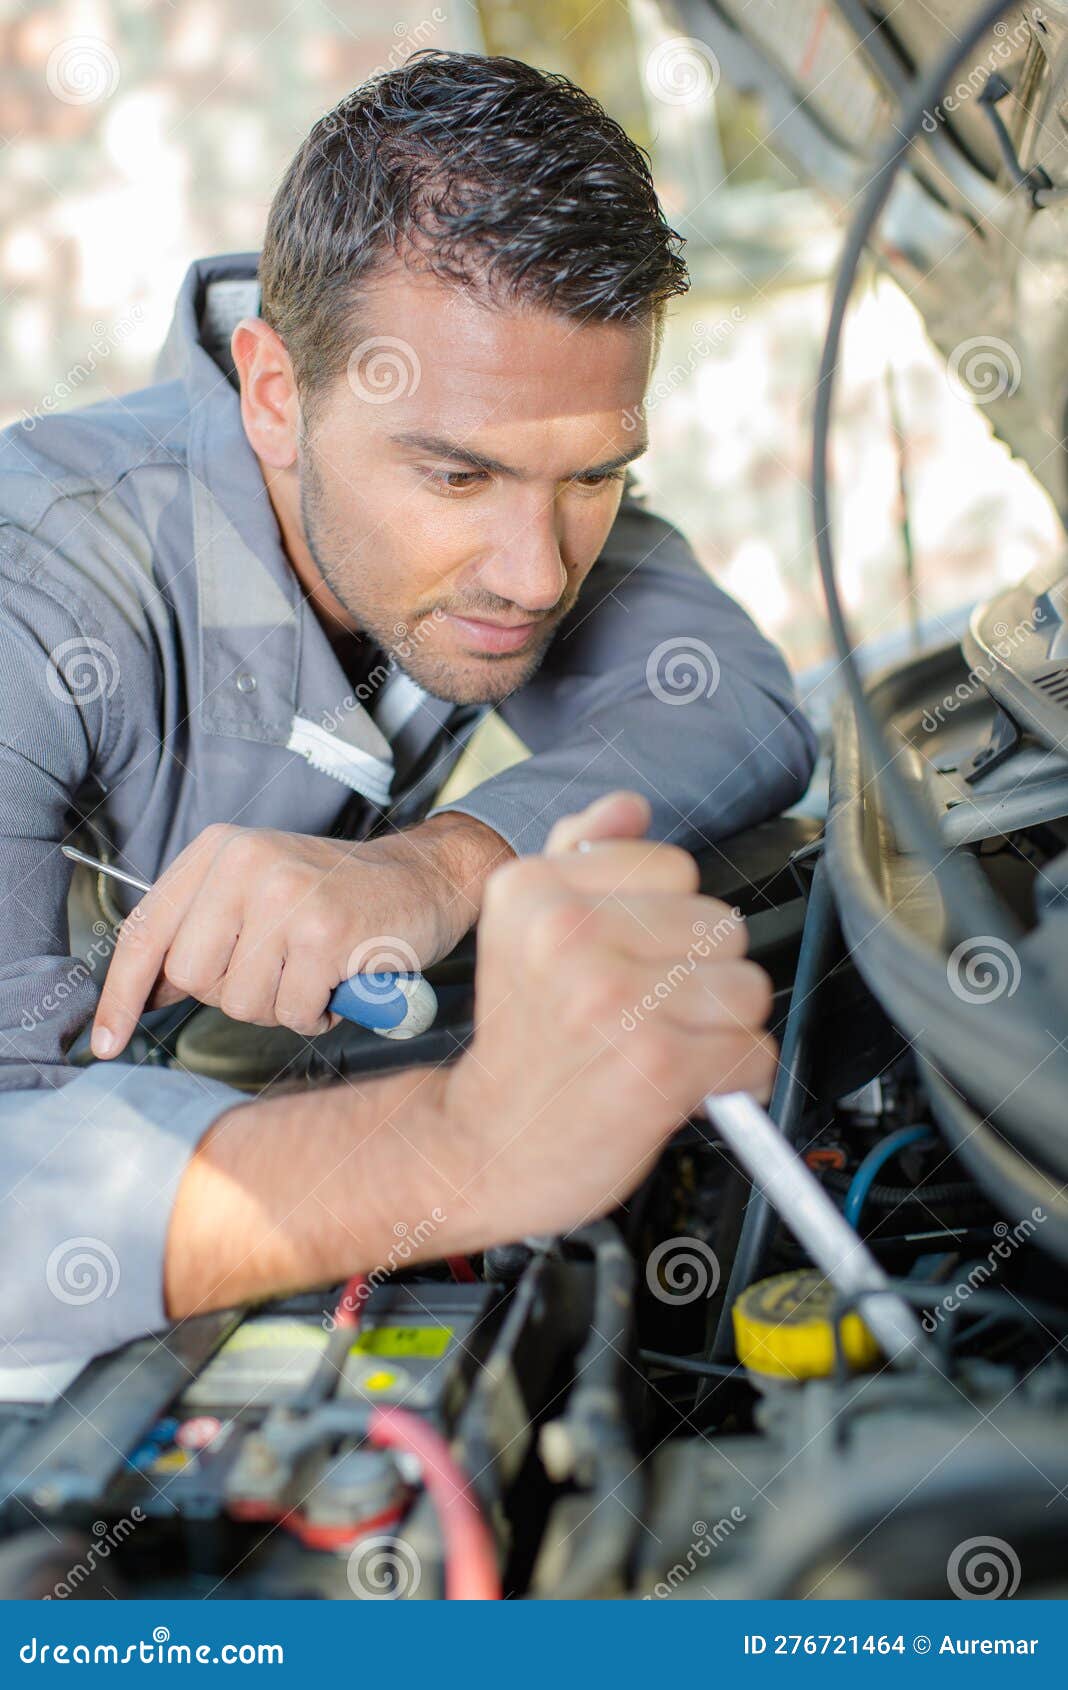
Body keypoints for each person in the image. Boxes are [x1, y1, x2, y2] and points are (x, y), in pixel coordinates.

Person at [0, 54, 812, 1377]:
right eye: (457, 473)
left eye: (595, 476)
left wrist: (445, 864)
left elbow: (737, 704)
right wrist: (463, 1147)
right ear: (277, 394)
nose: (539, 571)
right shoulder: (32, 592)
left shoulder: (498, 458)